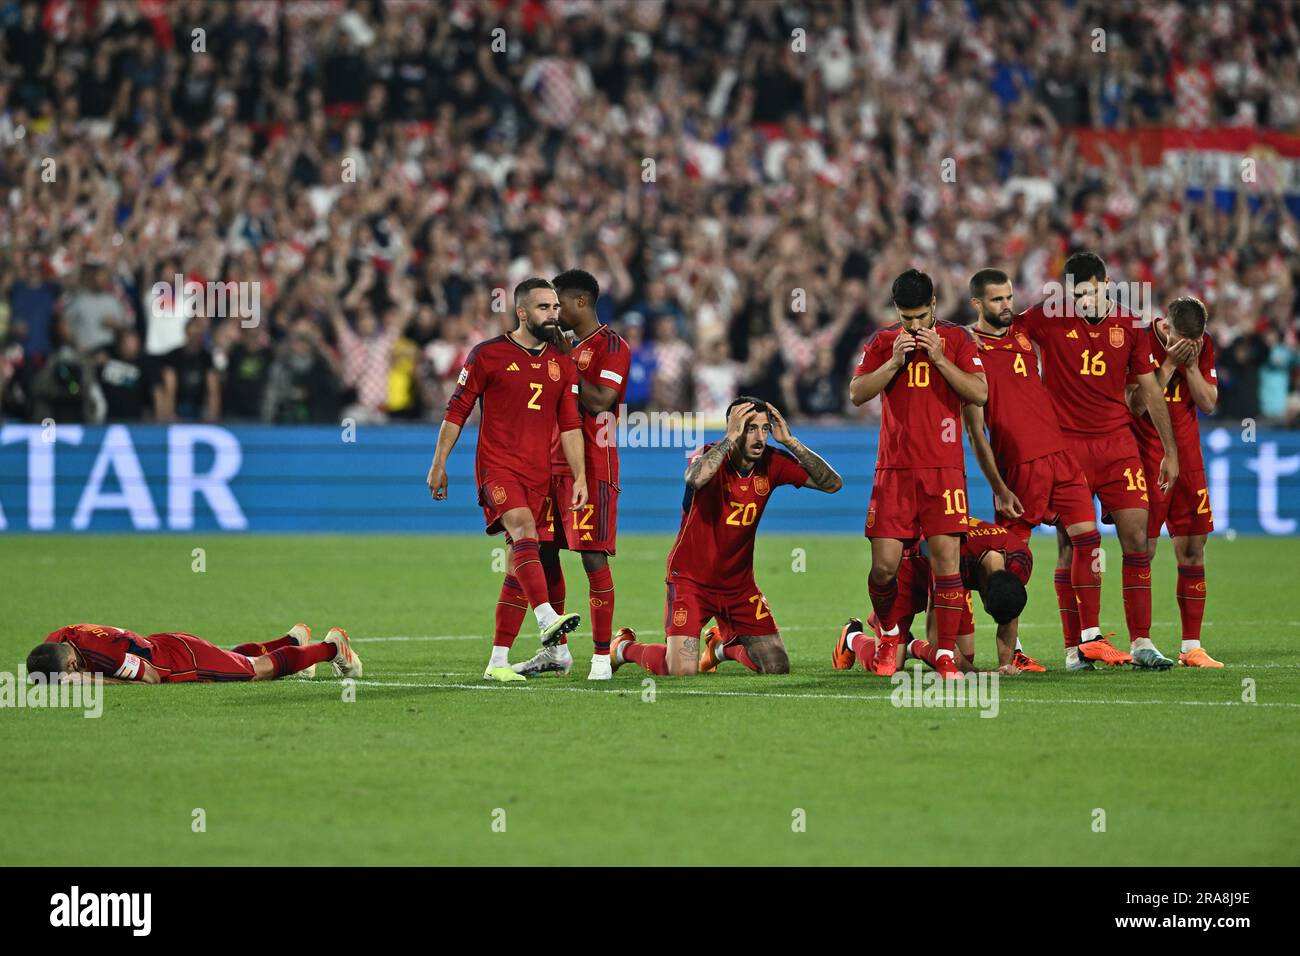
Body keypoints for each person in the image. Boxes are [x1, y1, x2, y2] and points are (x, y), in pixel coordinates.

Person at [1018, 252, 1181, 669]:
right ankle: (1076, 648)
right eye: (1077, 295)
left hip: (1116, 446)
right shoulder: (1045, 317)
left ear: (1107, 283)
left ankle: (1142, 641)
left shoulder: (1130, 325)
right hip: (1066, 448)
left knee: (1138, 539)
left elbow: (1149, 390)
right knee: (1072, 547)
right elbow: (1000, 337)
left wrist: (1169, 451)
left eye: (1091, 292)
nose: (1085, 301)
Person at [426, 278, 587, 682]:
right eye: (544, 308)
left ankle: (498, 662)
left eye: (555, 307)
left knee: (519, 566)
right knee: (523, 527)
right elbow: (458, 409)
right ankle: (547, 617)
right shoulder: (488, 355)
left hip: (539, 477)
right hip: (498, 469)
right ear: (521, 312)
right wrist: (438, 462)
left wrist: (581, 476)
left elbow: (570, 426)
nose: (553, 315)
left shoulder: (561, 364)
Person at [611, 398, 842, 676]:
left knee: (776, 666)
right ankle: (624, 648)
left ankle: (720, 648)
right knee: (681, 670)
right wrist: (729, 439)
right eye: (749, 428)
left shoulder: (773, 462)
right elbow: (695, 479)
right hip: (691, 581)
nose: (759, 437)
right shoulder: (708, 455)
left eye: (764, 428)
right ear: (733, 429)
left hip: (739, 587)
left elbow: (832, 484)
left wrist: (790, 441)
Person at [961, 268, 1104, 671]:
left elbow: (1072, 304)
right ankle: (1014, 652)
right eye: (996, 300)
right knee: (1008, 562)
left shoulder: (1025, 330)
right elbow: (976, 433)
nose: (1006, 305)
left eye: (1009, 297)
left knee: (1088, 540)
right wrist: (1000, 486)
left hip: (1060, 455)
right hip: (1019, 468)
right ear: (977, 304)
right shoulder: (967, 350)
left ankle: (1084, 644)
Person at [849, 269, 987, 680]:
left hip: (943, 472)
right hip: (894, 471)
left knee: (947, 565)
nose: (914, 326)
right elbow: (857, 394)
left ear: (934, 307)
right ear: (897, 311)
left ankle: (944, 654)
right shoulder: (881, 342)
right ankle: (889, 633)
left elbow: (979, 392)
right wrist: (893, 363)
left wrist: (940, 358)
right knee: (884, 569)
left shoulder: (958, 340)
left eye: (921, 316)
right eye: (906, 318)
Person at [510, 269, 631, 681]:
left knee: (592, 555)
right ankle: (557, 652)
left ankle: (601, 657)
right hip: (547, 468)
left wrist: (565, 361)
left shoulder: (611, 346)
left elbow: (600, 401)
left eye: (558, 302)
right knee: (544, 553)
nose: (554, 310)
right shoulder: (554, 347)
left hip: (593, 467)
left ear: (580, 303)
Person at [1126, 295, 1222, 667]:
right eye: (1181, 340)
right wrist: (1168, 362)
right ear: (1166, 327)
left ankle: (1191, 647)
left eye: (1194, 342)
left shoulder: (1202, 345)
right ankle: (1141, 642)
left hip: (1190, 460)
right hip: (1148, 458)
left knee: (1194, 548)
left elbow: (1209, 403)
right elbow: (1135, 404)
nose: (1187, 346)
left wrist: (1193, 366)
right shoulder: (1140, 339)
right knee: (1143, 549)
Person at [834, 516, 1034, 675]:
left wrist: (1005, 665)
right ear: (983, 592)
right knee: (891, 666)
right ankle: (852, 636)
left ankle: (912, 645)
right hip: (911, 564)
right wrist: (975, 673)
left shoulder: (1020, 561)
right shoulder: (952, 556)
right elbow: (936, 635)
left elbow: (1009, 615)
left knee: (964, 658)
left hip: (955, 570)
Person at [25, 622, 361, 684]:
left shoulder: (104, 659)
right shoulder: (58, 638)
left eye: (65, 678)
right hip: (167, 643)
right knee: (231, 658)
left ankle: (332, 648)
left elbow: (151, 679)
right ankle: (292, 640)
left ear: (72, 663)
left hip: (180, 661)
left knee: (255, 670)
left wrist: (94, 681)